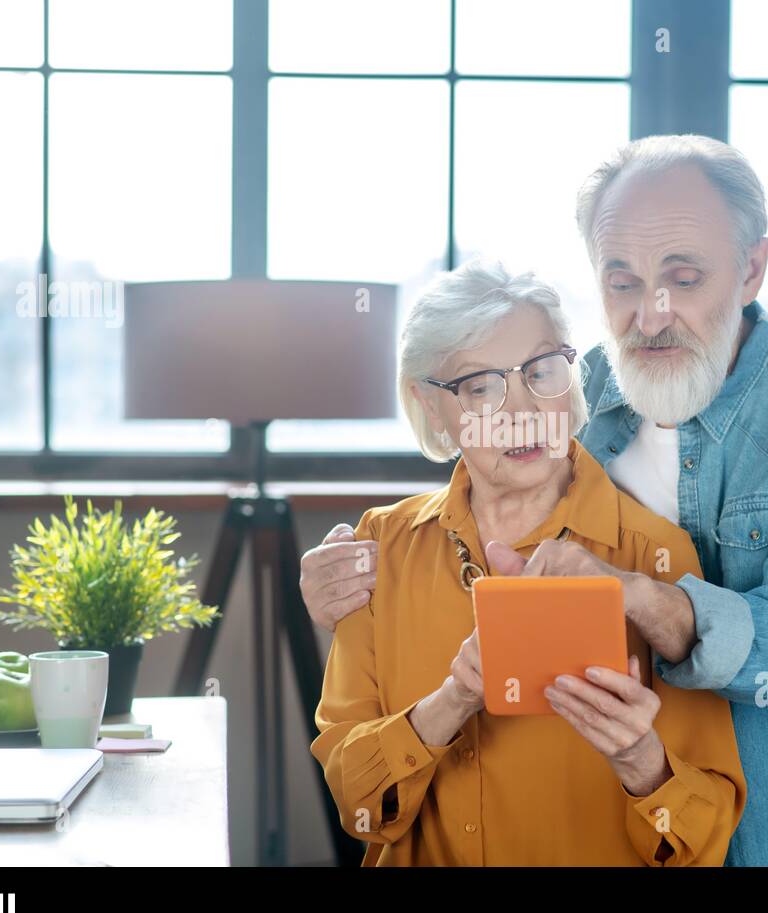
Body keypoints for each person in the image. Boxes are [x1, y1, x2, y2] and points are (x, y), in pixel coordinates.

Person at [303, 135, 768, 866]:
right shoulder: (578, 387)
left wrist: (638, 598)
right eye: (622, 282)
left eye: (683, 278)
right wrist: (354, 578)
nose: (651, 315)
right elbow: (489, 432)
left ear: (751, 269)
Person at [309, 260, 745, 866]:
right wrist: (452, 700)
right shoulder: (382, 545)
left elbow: (703, 842)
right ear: (431, 407)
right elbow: (356, 802)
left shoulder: (652, 554)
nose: (523, 410)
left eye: (541, 371)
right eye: (481, 386)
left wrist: (638, 760)